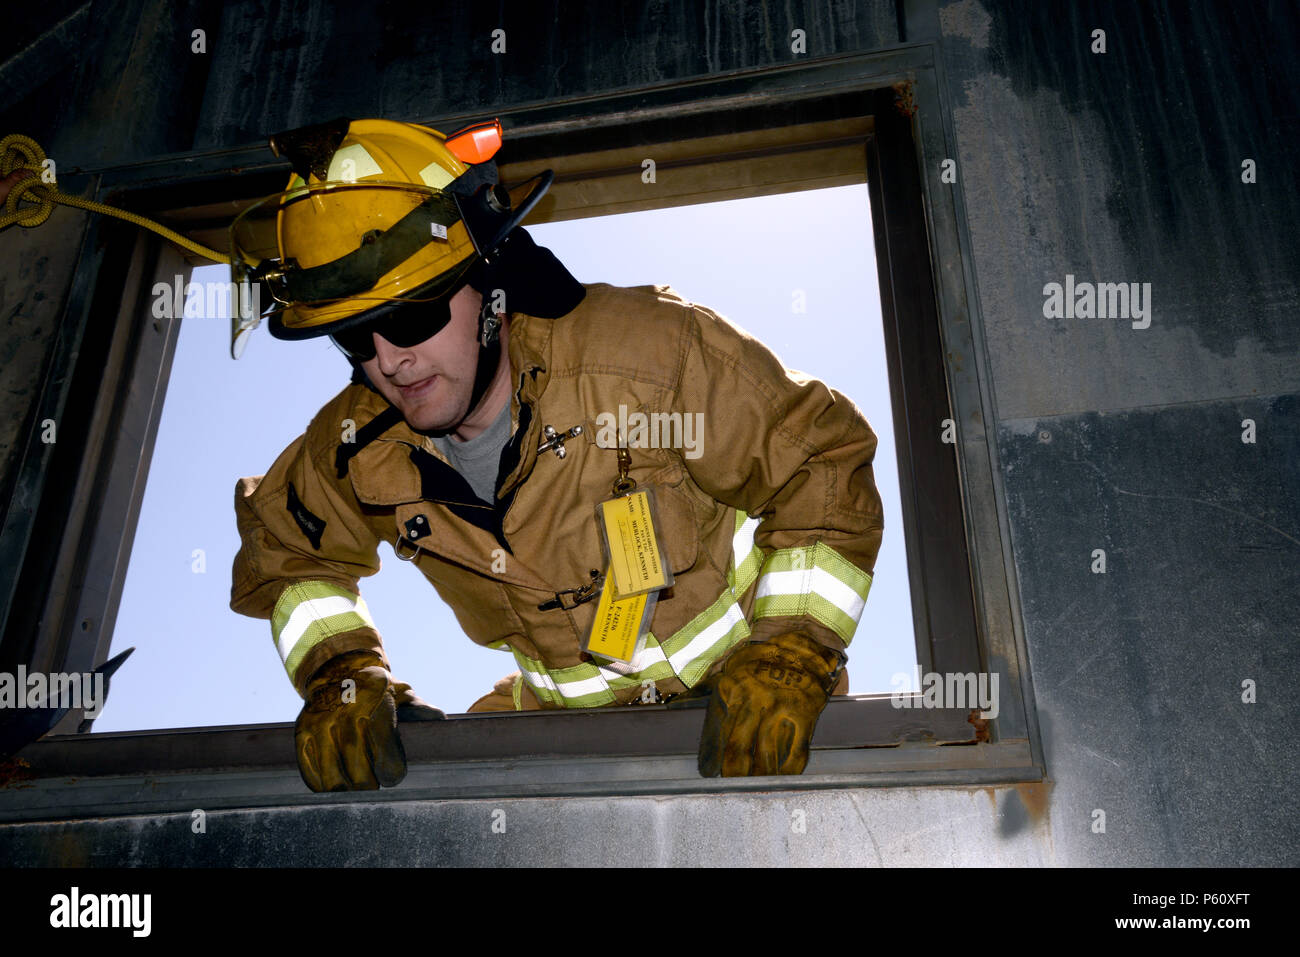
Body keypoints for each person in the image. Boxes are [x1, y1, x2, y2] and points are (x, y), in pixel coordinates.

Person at [228, 117, 884, 791]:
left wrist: (791, 651)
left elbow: (819, 463)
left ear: (490, 283)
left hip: (750, 720)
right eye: (355, 338)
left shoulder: (649, 360)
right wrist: (342, 673)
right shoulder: (352, 446)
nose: (389, 361)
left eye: (409, 315)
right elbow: (285, 554)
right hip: (570, 746)